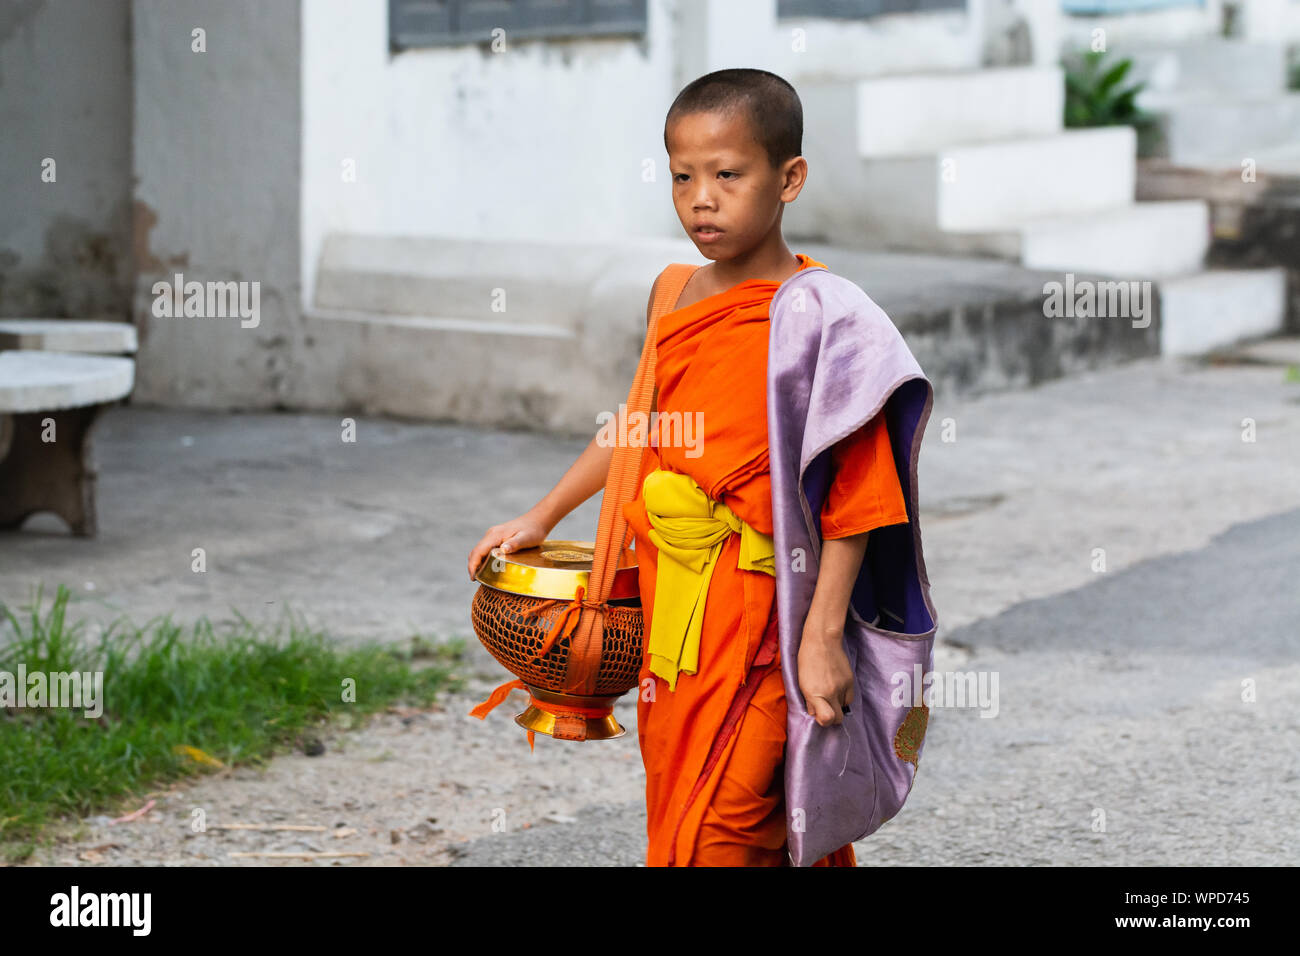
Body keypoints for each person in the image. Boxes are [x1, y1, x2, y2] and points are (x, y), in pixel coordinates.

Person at [467, 67, 910, 867]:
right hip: (680, 618)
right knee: (693, 800)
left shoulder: (824, 316)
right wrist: (543, 515)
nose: (701, 197)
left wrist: (823, 638)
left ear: (790, 178)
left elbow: (860, 496)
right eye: (682, 176)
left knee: (728, 825)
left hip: (772, 613)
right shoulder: (673, 294)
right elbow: (639, 424)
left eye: (728, 175)